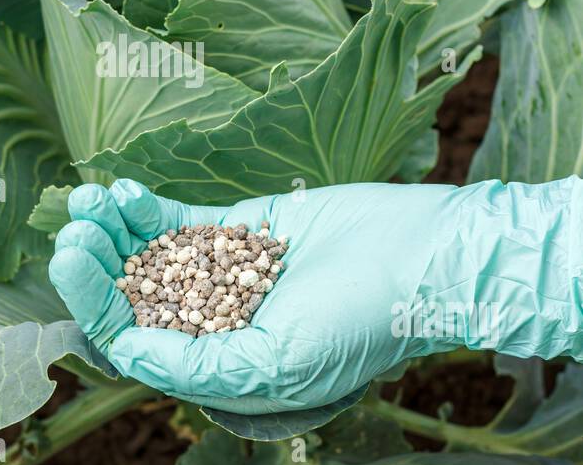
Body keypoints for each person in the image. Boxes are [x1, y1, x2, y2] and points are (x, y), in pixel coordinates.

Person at [48, 176, 583, 415]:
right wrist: (482, 247)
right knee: (82, 254)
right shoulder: (239, 254)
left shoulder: (243, 259)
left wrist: (460, 259)